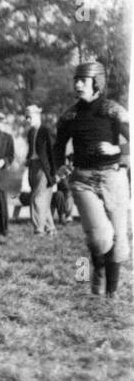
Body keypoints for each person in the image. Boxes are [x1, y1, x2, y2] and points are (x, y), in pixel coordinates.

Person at [55, 60, 129, 296]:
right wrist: (59, 168)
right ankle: (96, 277)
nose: (77, 84)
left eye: (82, 80)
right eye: (75, 80)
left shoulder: (113, 110)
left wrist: (116, 151)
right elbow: (58, 147)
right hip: (83, 181)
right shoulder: (70, 116)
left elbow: (131, 141)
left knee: (119, 243)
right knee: (100, 239)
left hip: (113, 178)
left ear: (96, 83)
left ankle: (110, 296)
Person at [22, 103, 58, 236]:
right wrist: (27, 159)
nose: (27, 120)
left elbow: (52, 153)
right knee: (40, 198)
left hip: (44, 168)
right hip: (33, 167)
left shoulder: (45, 130)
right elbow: (31, 150)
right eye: (26, 117)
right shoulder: (31, 132)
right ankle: (51, 228)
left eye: (29, 117)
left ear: (37, 116)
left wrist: (54, 173)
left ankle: (39, 229)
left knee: (38, 198)